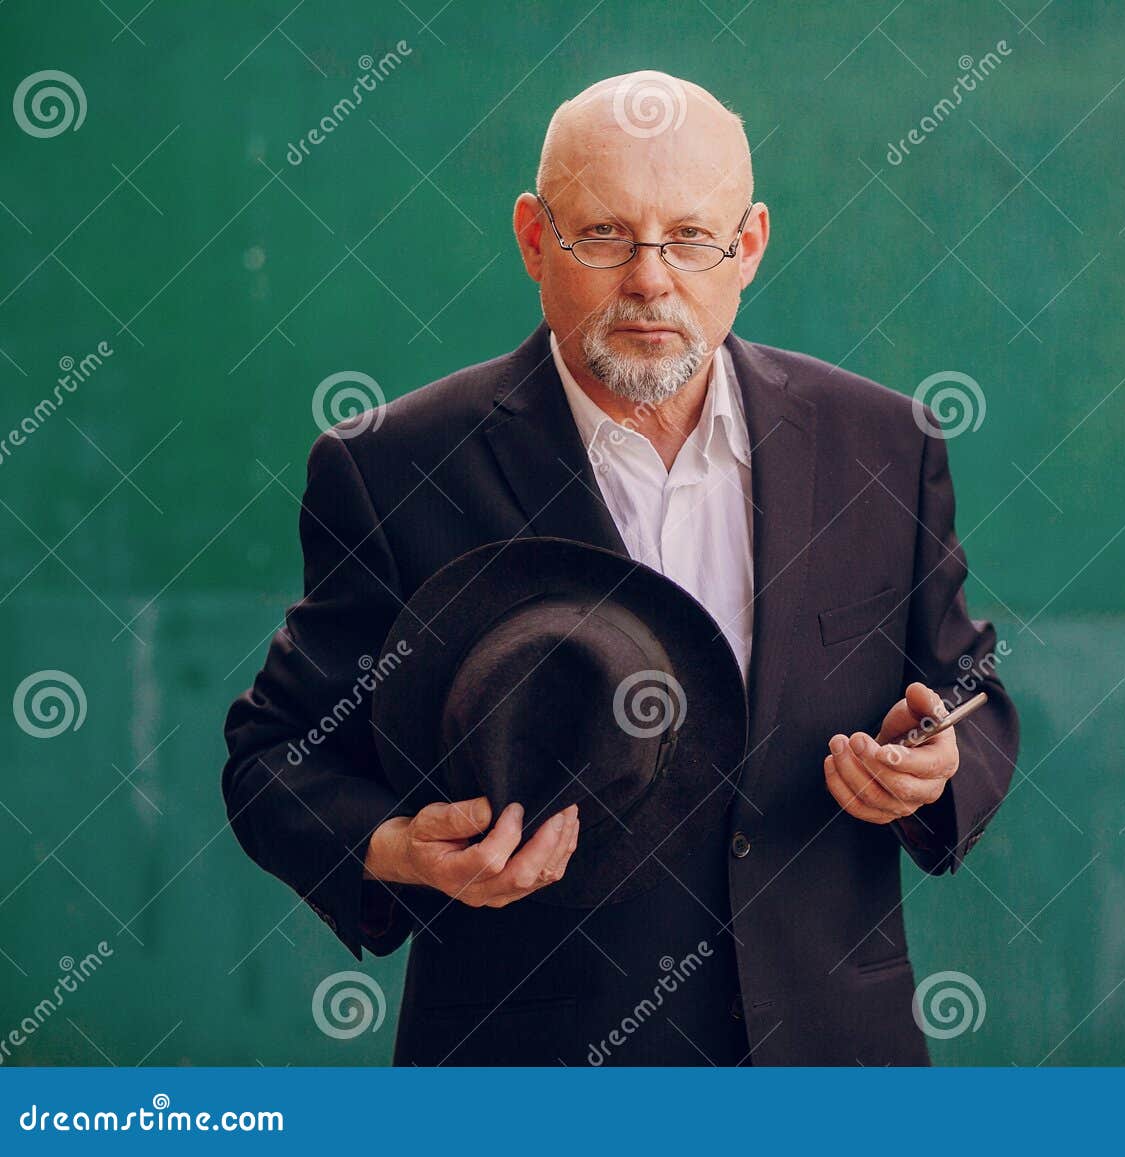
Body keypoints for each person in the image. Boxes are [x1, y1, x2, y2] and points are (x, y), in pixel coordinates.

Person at [221, 70, 1019, 1066]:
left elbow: (967, 685)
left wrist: (936, 757)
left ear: (750, 246)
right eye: (605, 235)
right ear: (532, 238)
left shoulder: (880, 443)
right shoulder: (393, 467)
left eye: (691, 237)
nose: (650, 278)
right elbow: (273, 754)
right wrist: (392, 848)